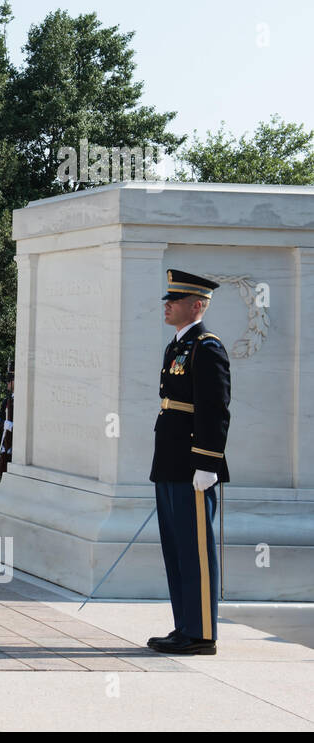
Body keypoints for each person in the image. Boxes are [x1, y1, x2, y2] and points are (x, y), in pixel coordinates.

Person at [147, 270, 231, 656]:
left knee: (195, 549)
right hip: (170, 462)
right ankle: (185, 626)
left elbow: (214, 410)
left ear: (196, 306)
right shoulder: (176, 346)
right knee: (176, 548)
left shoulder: (206, 347)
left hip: (193, 465)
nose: (167, 305)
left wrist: (208, 463)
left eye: (174, 301)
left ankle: (201, 634)